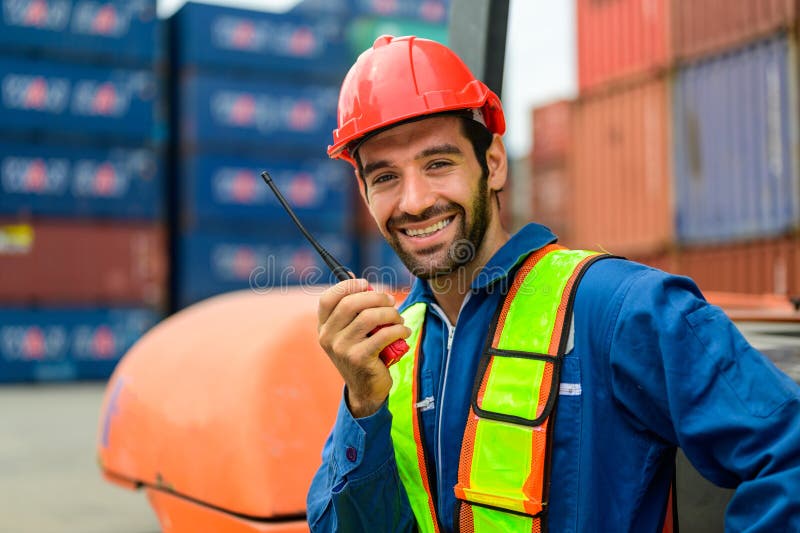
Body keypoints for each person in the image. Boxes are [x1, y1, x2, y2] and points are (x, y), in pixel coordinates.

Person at [306, 35, 800, 532]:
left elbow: (789, 453)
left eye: (438, 163)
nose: (413, 201)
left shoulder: (618, 309)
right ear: (365, 194)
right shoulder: (393, 354)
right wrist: (364, 405)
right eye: (386, 177)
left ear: (493, 164)